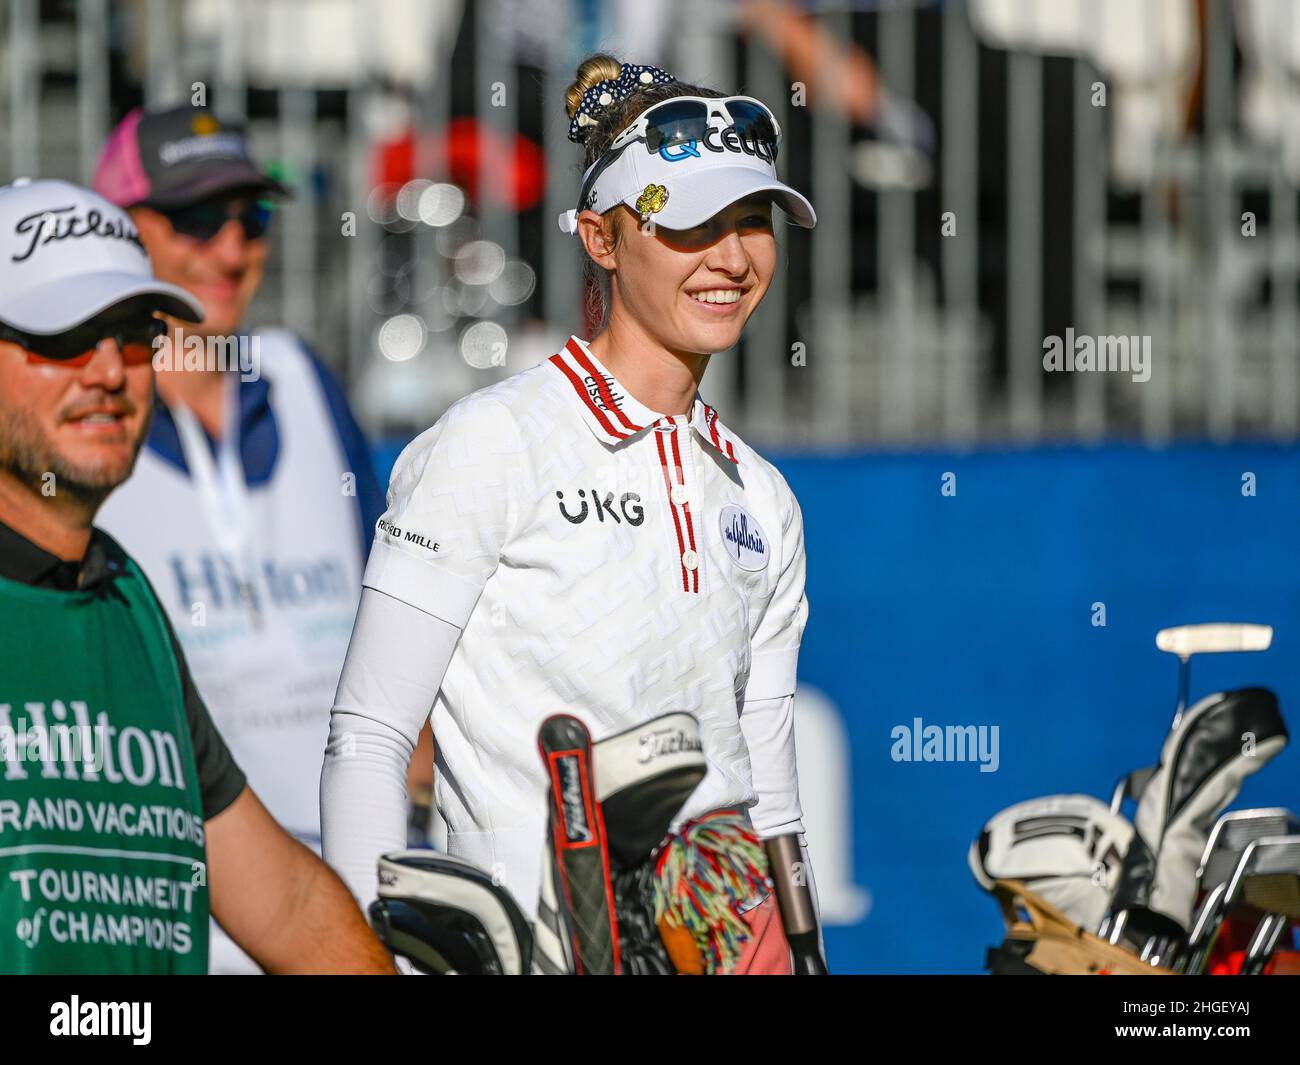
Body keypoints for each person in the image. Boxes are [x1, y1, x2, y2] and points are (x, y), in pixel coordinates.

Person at [322, 54, 825, 974]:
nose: (731, 256)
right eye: (691, 221)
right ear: (600, 237)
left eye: (751, 219)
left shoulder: (763, 495)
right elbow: (370, 734)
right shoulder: (490, 442)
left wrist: (803, 952)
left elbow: (770, 801)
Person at [0, 178, 394, 974]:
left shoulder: (123, 596)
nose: (110, 370)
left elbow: (284, 902)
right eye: (64, 337)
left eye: (135, 333)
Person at [87, 105, 417, 972]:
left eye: (251, 217)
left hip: (363, 870)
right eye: (197, 219)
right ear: (120, 229)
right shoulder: (81, 424)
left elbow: (402, 607)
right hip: (190, 894)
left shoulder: (302, 379)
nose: (231, 250)